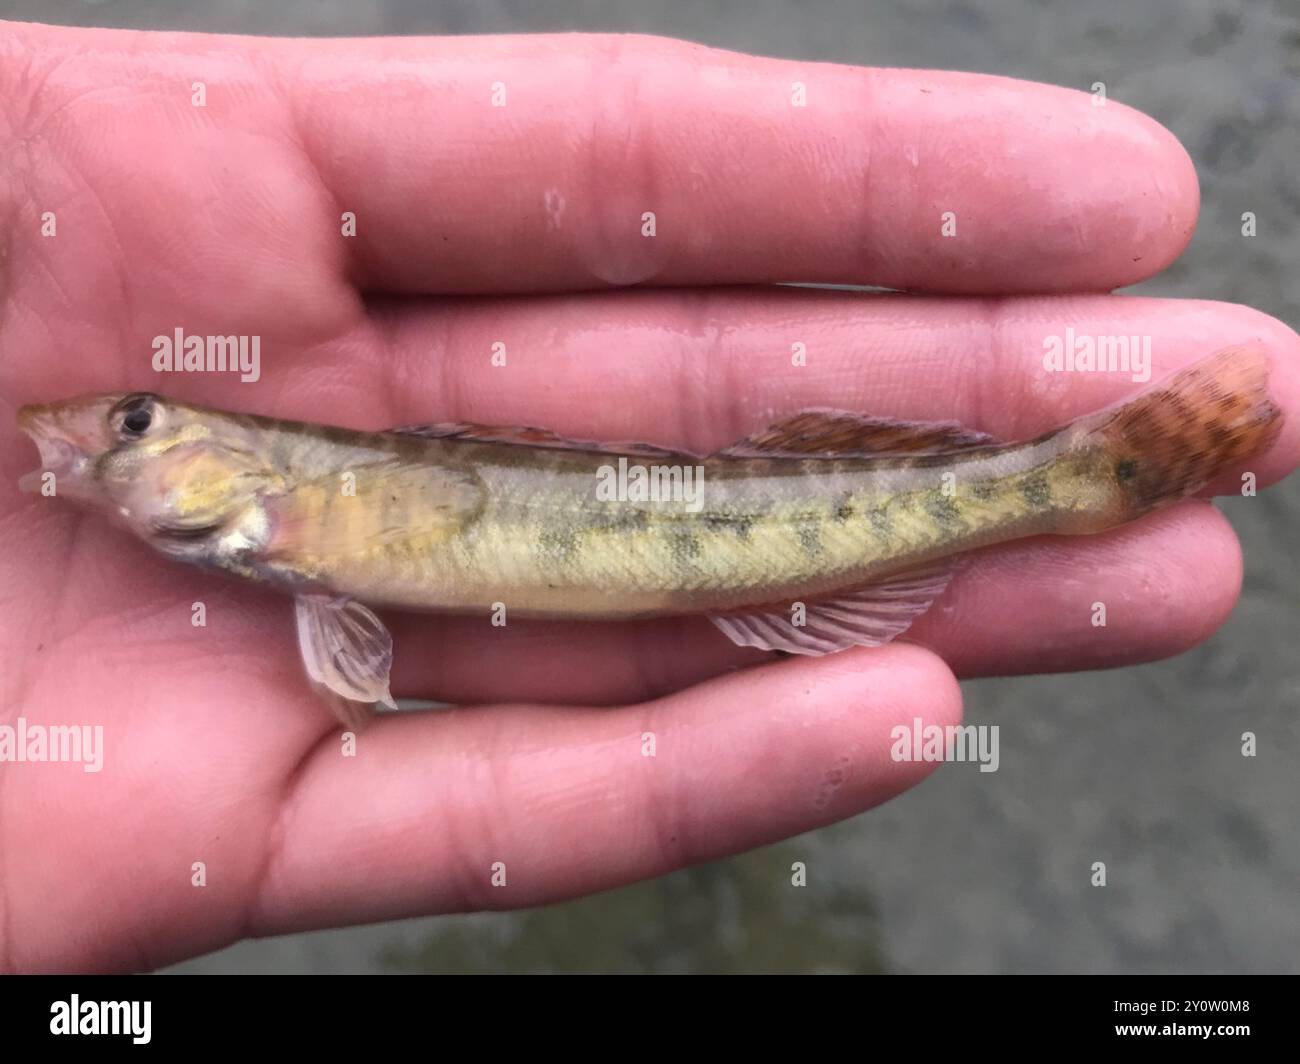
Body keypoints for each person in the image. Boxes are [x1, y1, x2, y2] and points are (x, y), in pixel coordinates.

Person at [0, 21, 1295, 972]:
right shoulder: (276, 533)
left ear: (229, 459)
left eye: (135, 424)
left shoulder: (292, 518)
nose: (94, 440)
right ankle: (1090, 476)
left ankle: (1091, 474)